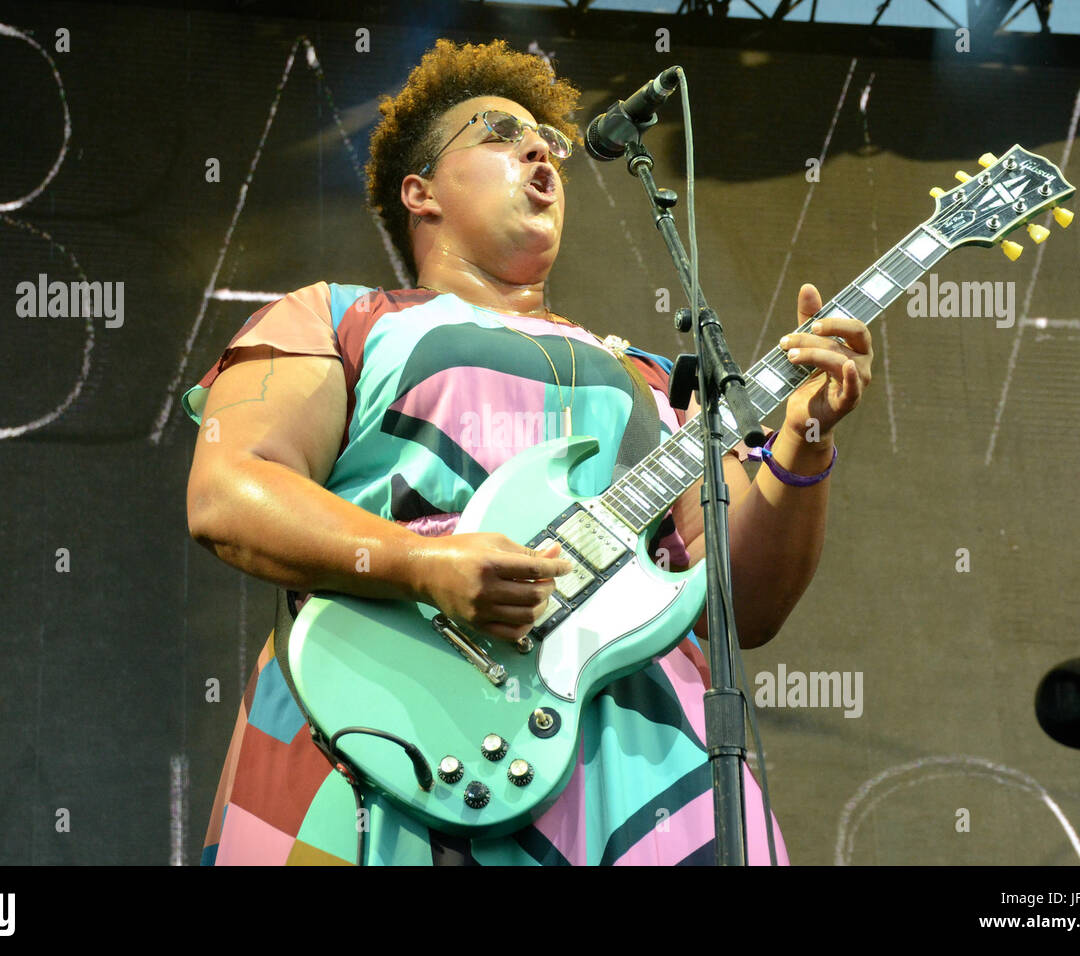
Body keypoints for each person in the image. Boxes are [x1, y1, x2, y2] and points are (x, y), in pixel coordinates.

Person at [182, 37, 872, 865]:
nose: (542, 149)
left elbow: (745, 606)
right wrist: (422, 564)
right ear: (420, 191)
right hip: (389, 723)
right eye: (501, 135)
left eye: (549, 142)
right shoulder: (337, 317)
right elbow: (230, 491)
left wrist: (804, 438)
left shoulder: (656, 379)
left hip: (639, 751)